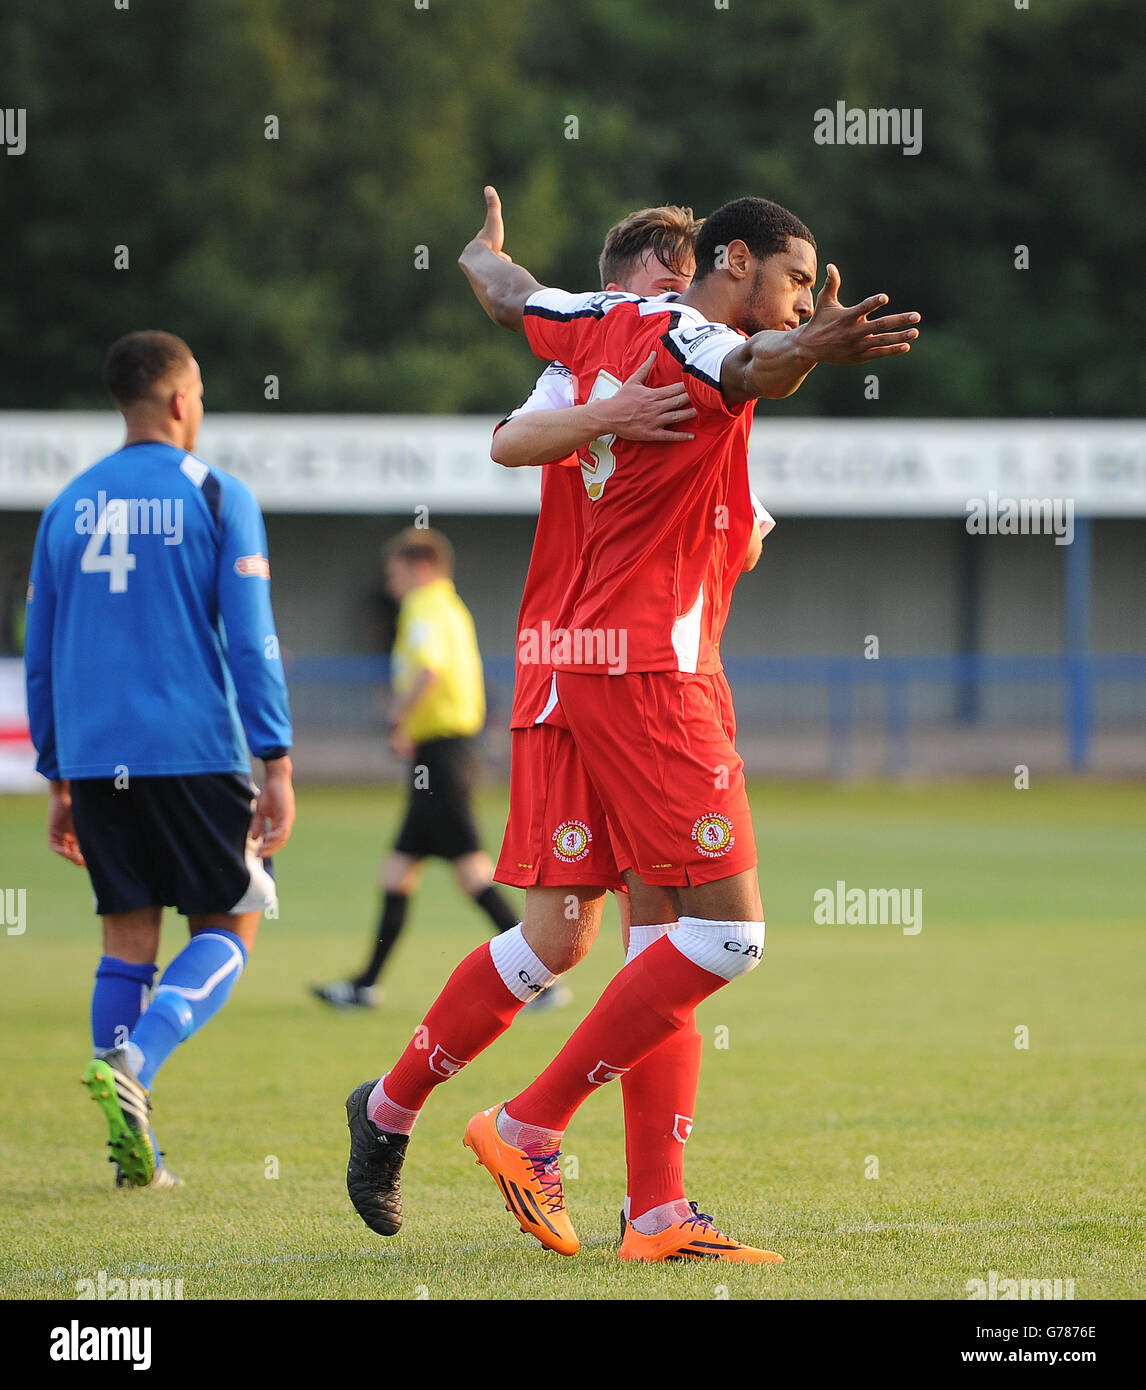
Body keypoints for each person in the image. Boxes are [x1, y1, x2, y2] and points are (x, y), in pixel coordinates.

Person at [451, 188, 920, 1262]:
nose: (806, 297)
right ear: (738, 260)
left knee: (664, 936)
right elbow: (751, 368)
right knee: (730, 936)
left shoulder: (593, 316)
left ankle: (657, 1210)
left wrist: (480, 252)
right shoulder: (704, 339)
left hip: (611, 664)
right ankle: (526, 1123)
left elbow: (510, 292)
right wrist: (809, 346)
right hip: (657, 673)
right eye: (797, 279)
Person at [342, 201, 771, 1248]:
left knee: (636, 934)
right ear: (661, 276)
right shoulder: (600, 356)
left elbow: (745, 537)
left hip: (628, 666)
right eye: (664, 297)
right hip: (581, 672)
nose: (674, 322)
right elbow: (513, 438)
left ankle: (649, 1201)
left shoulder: (700, 371)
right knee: (578, 935)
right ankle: (473, 1119)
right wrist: (608, 419)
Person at [24, 330, 295, 1188]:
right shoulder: (216, 494)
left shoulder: (67, 503)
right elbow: (251, 641)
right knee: (234, 922)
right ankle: (136, 1063)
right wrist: (276, 758)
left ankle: (132, 1149)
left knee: (127, 937)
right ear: (181, 400)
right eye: (203, 393)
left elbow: (40, 650)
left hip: (97, 756)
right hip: (191, 748)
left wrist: (58, 772)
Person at [312, 527, 520, 1010]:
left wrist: (397, 714)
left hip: (444, 757)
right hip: (439, 751)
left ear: (419, 566)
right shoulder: (449, 606)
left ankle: (538, 972)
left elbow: (429, 670)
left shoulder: (425, 607)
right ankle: (365, 984)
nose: (391, 582)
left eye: (395, 571)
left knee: (471, 871)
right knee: (398, 872)